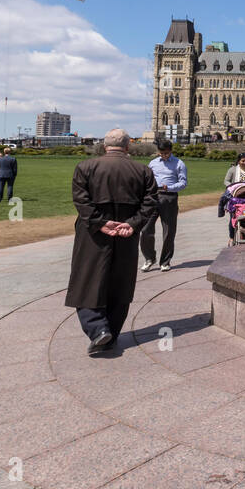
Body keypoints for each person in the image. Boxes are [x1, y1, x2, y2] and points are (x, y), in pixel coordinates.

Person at [65, 129, 159, 354]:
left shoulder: (85, 167)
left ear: (104, 145)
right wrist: (132, 224)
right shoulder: (142, 170)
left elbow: (81, 200)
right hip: (126, 233)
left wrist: (100, 223)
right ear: (128, 147)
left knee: (87, 279)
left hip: (94, 234)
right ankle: (111, 333)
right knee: (121, 281)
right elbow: (150, 202)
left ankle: (98, 329)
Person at [140, 139, 187, 273]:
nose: (163, 156)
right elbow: (147, 180)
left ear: (170, 151)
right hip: (153, 197)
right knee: (145, 229)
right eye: (161, 153)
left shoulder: (179, 164)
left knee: (168, 231)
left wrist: (170, 187)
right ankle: (149, 258)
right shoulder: (153, 163)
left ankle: (165, 261)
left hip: (169, 197)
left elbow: (183, 183)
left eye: (166, 153)